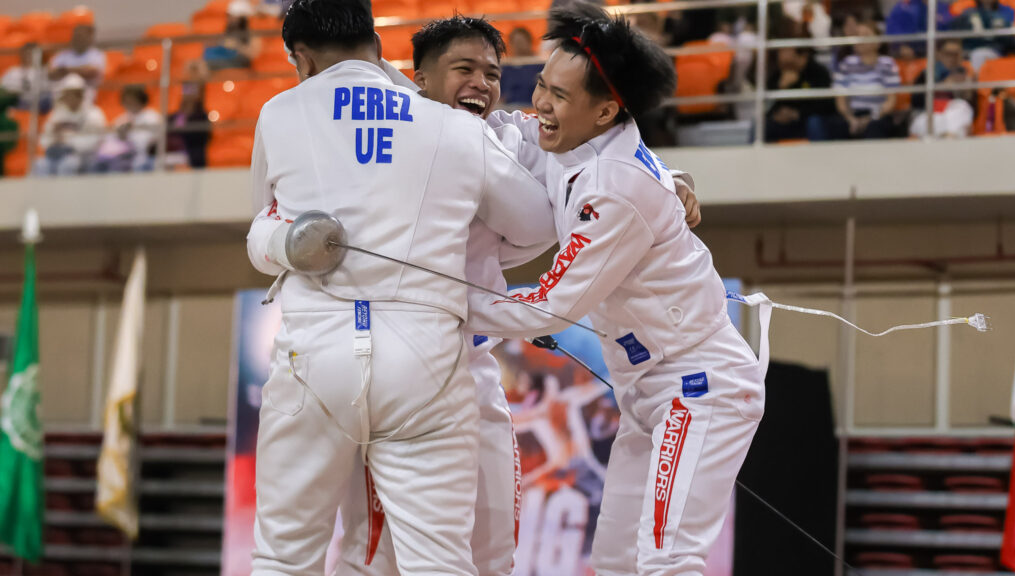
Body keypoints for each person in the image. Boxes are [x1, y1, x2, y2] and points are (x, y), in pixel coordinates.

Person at [334, 15, 702, 576]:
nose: (481, 82)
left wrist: (668, 177)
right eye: (464, 69)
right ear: (421, 81)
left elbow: (597, 149)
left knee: (492, 556)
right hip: (396, 369)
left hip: (474, 368)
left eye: (492, 72)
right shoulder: (385, 146)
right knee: (375, 556)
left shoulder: (510, 136)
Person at [243, 1, 556, 574]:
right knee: (438, 561)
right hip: (428, 359)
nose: (481, 84)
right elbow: (539, 221)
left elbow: (265, 227)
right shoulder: (457, 126)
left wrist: (290, 245)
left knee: (286, 556)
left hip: (317, 354)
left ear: (302, 59)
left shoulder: (278, 111)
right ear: (382, 49)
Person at [469, 4, 764, 575]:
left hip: (699, 387)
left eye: (558, 95)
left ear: (605, 110)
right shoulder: (574, 141)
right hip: (646, 392)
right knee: (614, 563)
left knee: (666, 563)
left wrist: (452, 304)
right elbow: (504, 130)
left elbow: (551, 307)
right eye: (542, 86)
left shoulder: (615, 189)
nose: (541, 105)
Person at [810, 23, 902, 140]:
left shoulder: (887, 64)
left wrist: (870, 119)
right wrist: (851, 119)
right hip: (852, 115)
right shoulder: (846, 63)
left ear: (878, 42)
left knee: (875, 128)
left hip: (878, 116)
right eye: (857, 34)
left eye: (866, 35)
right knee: (824, 125)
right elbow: (841, 101)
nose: (860, 39)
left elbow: (890, 102)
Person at [34, 74, 106, 176]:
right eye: (67, 94)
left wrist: (68, 140)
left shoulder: (93, 113)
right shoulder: (57, 114)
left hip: (83, 156)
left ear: (81, 95)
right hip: (57, 153)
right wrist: (54, 138)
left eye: (73, 94)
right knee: (40, 164)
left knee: (68, 164)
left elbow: (94, 142)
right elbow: (43, 140)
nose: (69, 98)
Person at [765, 45, 834, 141]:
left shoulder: (818, 73)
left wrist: (798, 114)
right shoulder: (778, 74)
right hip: (784, 122)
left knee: (815, 123)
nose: (780, 56)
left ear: (802, 56)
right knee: (761, 125)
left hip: (807, 120)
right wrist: (781, 88)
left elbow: (825, 105)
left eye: (785, 51)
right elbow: (770, 103)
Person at [909, 39, 975, 138]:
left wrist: (968, 93)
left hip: (953, 118)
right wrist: (942, 86)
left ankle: (949, 139)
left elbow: (972, 110)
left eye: (956, 54)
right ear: (939, 54)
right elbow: (916, 102)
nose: (953, 58)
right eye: (949, 54)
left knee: (961, 106)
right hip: (930, 115)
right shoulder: (926, 75)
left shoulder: (966, 76)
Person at [92, 85, 163, 172]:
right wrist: (121, 136)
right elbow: (109, 139)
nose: (130, 102)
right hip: (124, 156)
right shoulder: (121, 119)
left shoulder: (152, 116)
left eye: (132, 99)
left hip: (146, 156)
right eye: (127, 100)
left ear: (140, 100)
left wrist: (131, 137)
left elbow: (153, 140)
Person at [952, 0, 1015, 70]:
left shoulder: (1006, 12)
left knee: (979, 55)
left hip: (995, 50)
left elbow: (1010, 41)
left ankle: (976, 79)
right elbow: (956, 31)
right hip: (970, 49)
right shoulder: (968, 12)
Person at [202, 0, 263, 72]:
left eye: (233, 16)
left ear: (242, 19)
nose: (230, 19)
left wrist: (236, 46)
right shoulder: (226, 32)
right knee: (196, 66)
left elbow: (254, 54)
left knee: (205, 66)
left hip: (237, 65)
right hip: (219, 61)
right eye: (229, 16)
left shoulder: (251, 35)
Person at [48, 25, 106, 96]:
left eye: (81, 36)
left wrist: (65, 70)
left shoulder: (97, 54)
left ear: (90, 38)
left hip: (87, 93)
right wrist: (80, 70)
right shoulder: (63, 55)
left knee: (75, 80)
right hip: (63, 94)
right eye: (76, 36)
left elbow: (91, 72)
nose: (78, 39)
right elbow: (51, 73)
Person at [166, 82, 211, 169]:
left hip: (192, 151)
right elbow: (170, 132)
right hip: (175, 151)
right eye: (186, 90)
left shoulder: (201, 115)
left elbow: (202, 136)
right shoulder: (175, 116)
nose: (188, 94)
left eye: (191, 90)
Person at [499, 27, 544, 106]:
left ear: (529, 42)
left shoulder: (540, 64)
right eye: (515, 42)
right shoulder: (505, 67)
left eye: (521, 42)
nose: (519, 46)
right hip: (510, 109)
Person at [0, 43, 52, 112]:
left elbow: (47, 88)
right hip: (14, 100)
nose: (28, 56)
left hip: (37, 102)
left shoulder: (45, 71)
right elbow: (3, 88)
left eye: (31, 54)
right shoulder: (13, 71)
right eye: (26, 54)